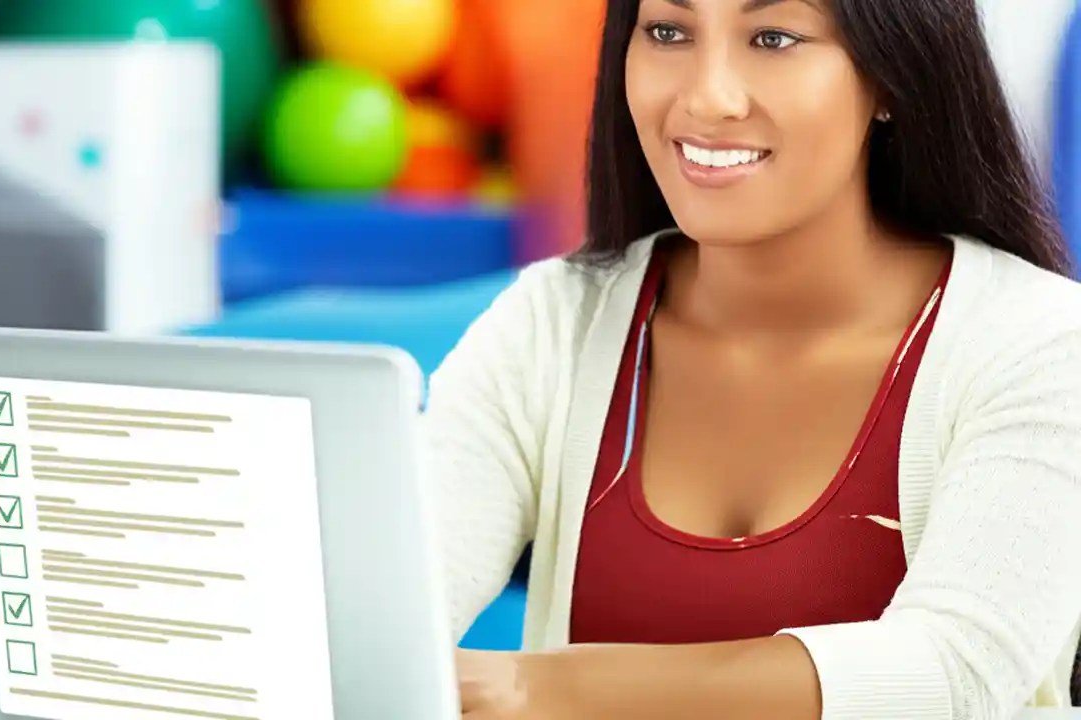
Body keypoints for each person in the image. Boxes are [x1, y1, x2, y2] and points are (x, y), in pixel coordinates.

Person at [423, 0, 1081, 718]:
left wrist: (532, 687)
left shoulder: (1041, 343)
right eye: (668, 32)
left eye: (774, 38)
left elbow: (956, 671)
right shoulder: (553, 322)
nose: (707, 96)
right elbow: (387, 598)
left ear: (891, 73)